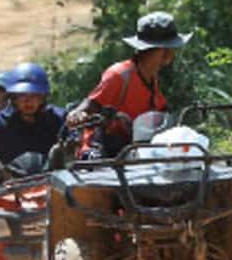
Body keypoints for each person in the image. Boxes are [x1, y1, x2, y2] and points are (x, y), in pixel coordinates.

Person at [65, 11, 192, 156]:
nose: (172, 53)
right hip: (105, 151)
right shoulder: (119, 75)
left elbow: (159, 113)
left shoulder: (152, 76)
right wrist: (77, 114)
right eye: (169, 48)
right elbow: (91, 104)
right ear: (157, 50)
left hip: (134, 150)